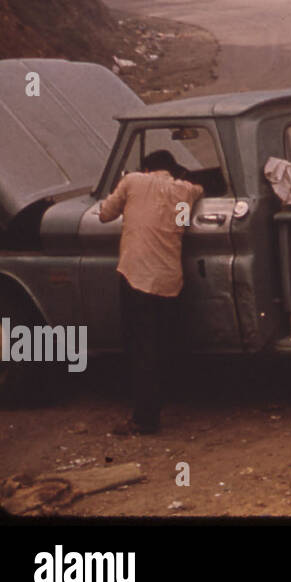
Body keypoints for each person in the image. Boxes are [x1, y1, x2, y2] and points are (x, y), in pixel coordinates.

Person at [98, 149, 204, 435]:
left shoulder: (132, 181)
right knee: (164, 344)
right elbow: (195, 187)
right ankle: (165, 401)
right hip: (170, 279)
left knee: (142, 348)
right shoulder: (187, 190)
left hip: (137, 276)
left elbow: (104, 215)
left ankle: (145, 419)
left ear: (146, 169)